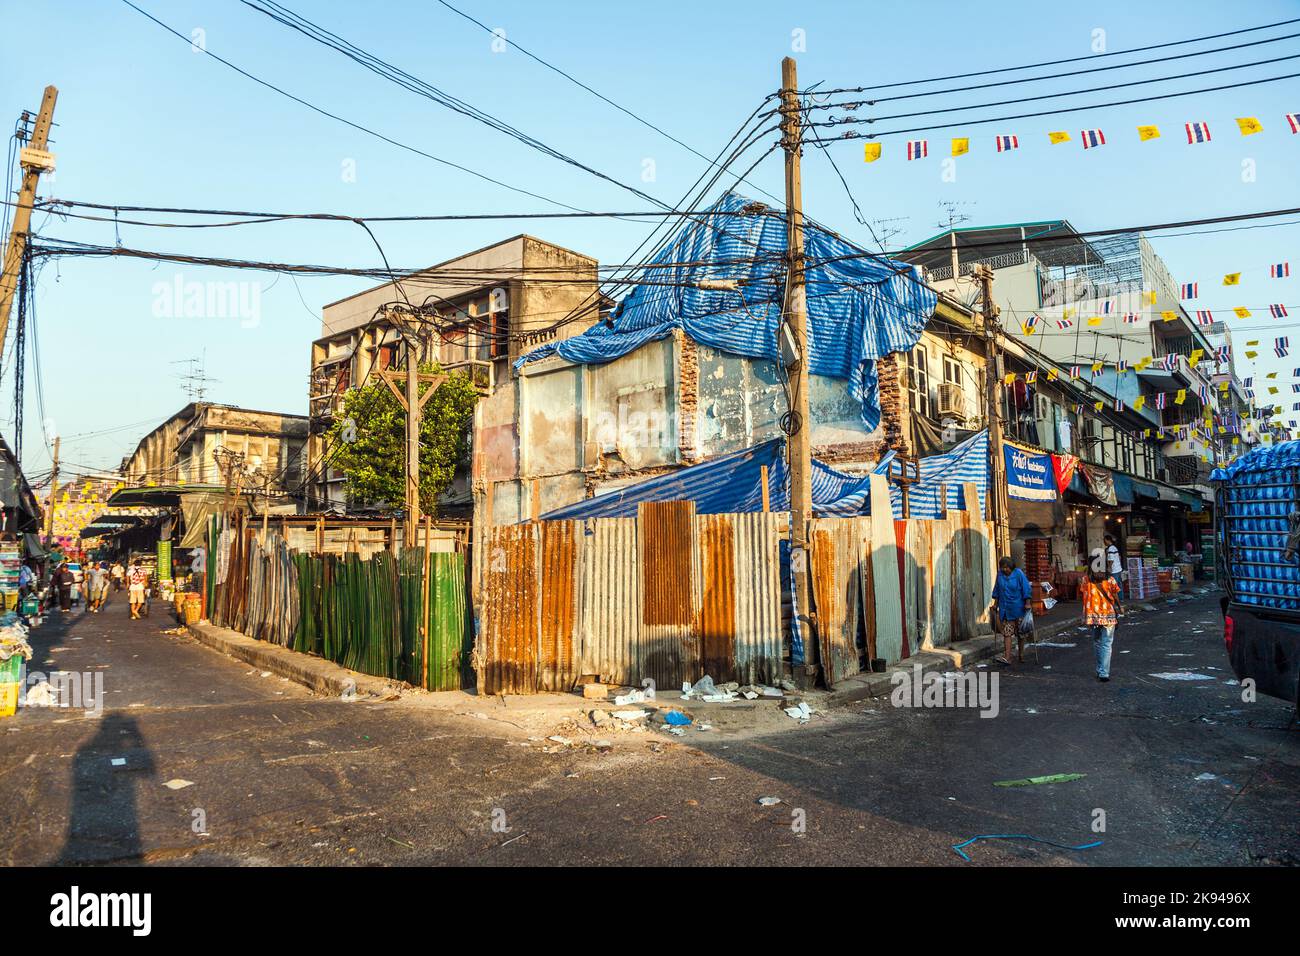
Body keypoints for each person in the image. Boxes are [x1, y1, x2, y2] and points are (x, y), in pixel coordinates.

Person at [1081, 568, 1122, 682]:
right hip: (1108, 616)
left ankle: (1100, 670)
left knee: (1097, 643)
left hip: (1093, 617)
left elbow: (1084, 598)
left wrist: (1084, 615)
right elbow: (1115, 595)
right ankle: (1103, 672)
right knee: (1106, 644)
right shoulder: (1110, 579)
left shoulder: (1086, 580)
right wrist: (1120, 607)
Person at [990, 556, 1033, 665]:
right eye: (1002, 567)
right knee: (1007, 633)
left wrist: (1027, 603)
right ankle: (1007, 657)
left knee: (1021, 633)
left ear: (1011, 567)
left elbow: (1026, 588)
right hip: (1006, 609)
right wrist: (995, 604)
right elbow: (997, 590)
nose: (1004, 570)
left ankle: (1021, 654)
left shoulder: (1018, 573)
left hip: (1019, 608)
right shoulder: (1000, 575)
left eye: (1006, 567)